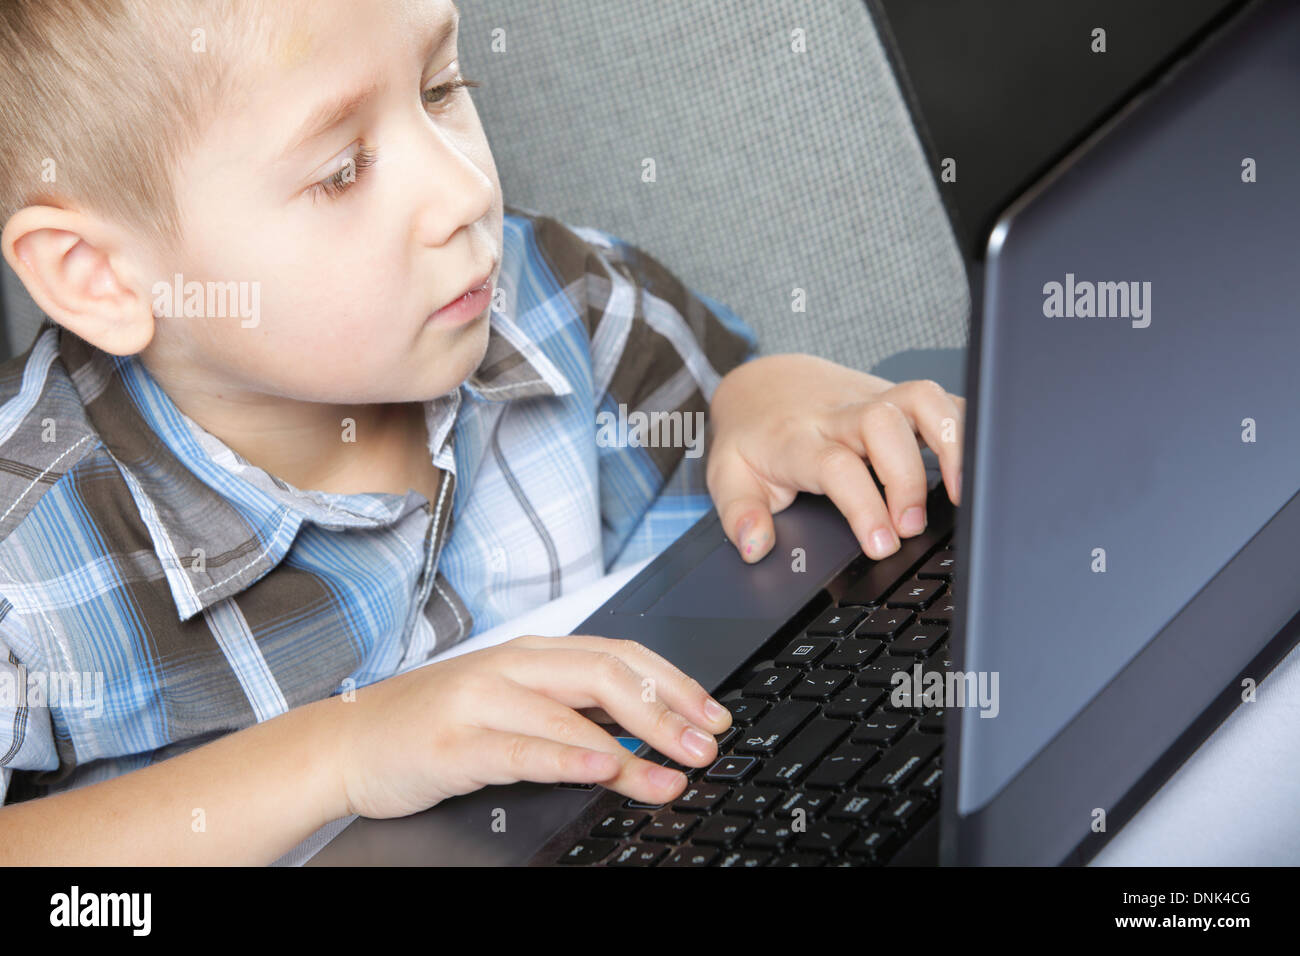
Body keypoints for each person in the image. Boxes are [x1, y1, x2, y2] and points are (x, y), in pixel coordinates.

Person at [0, 0, 964, 863]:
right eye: (341, 171)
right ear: (100, 277)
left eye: (442, 86)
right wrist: (342, 753)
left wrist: (770, 393)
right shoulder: (27, 556)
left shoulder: (558, 298)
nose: (464, 192)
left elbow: (733, 433)